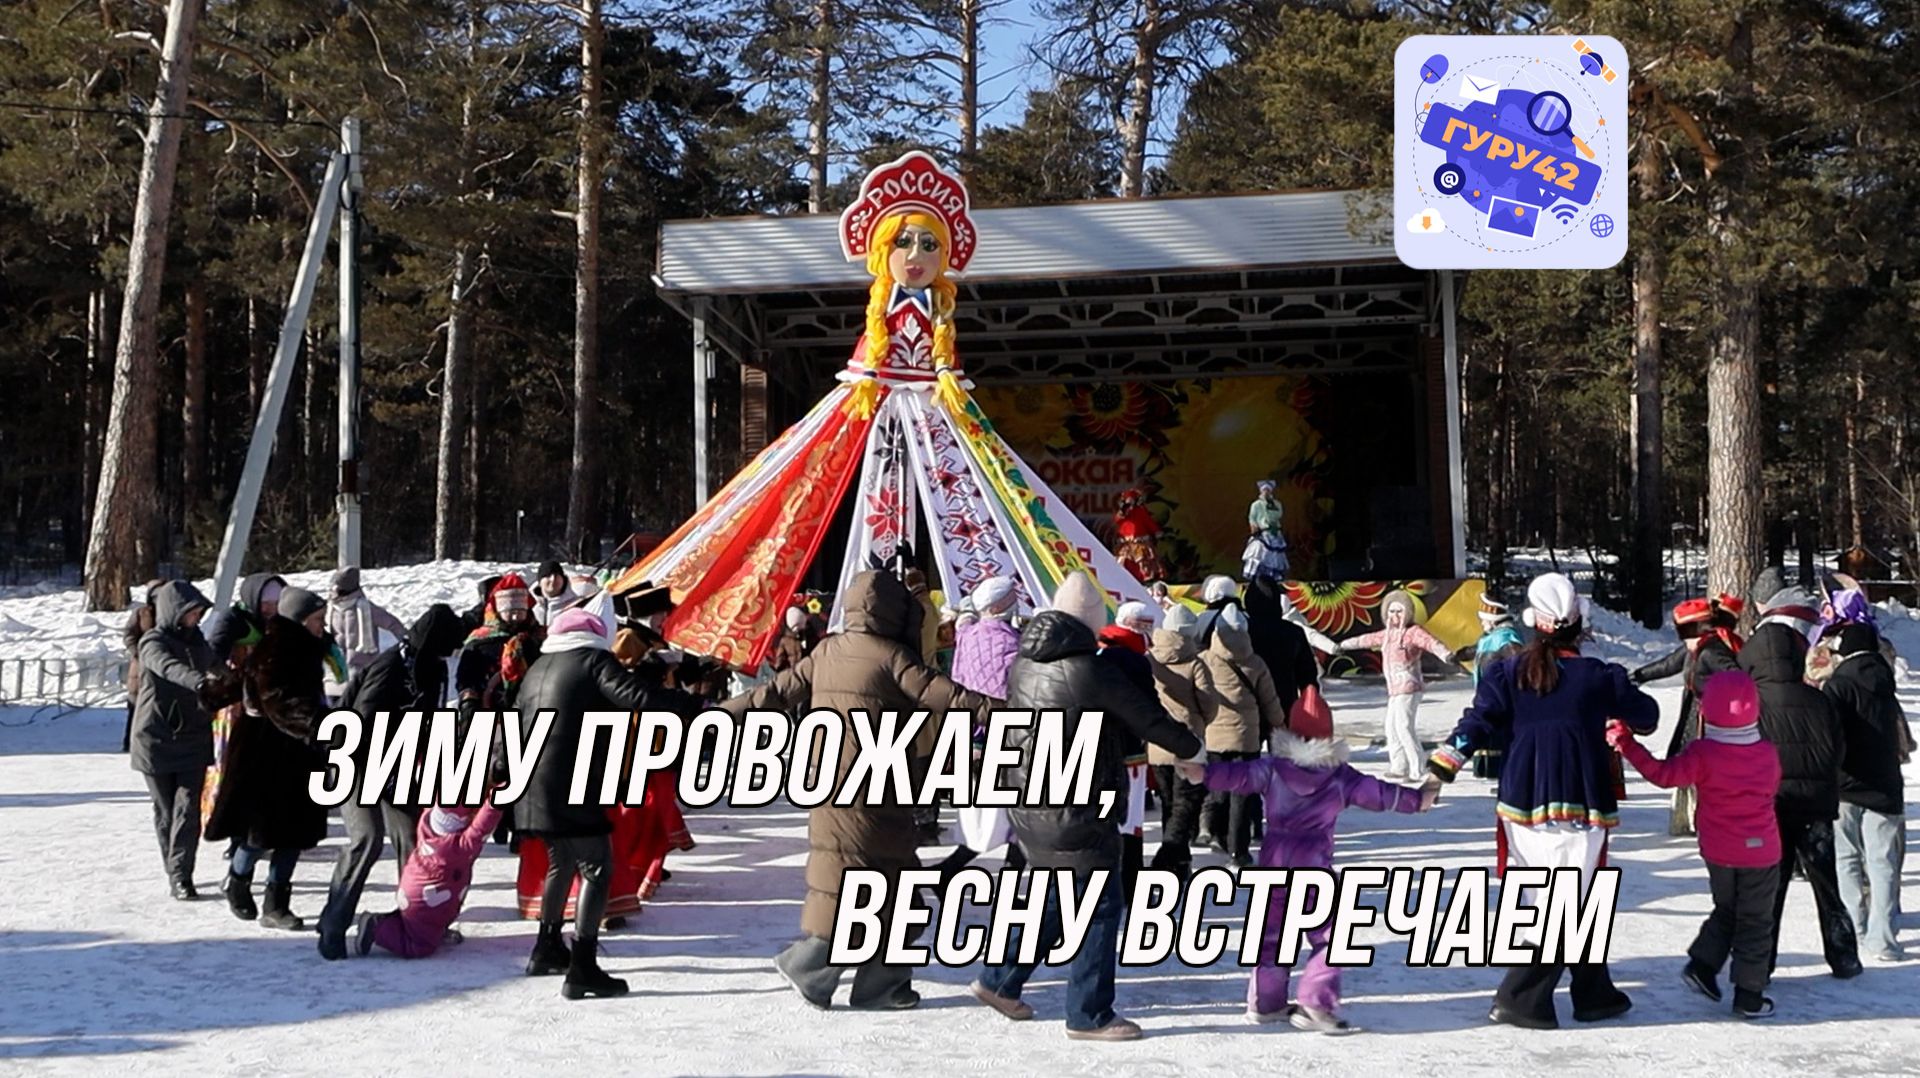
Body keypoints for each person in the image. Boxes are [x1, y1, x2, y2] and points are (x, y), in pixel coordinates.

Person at [722, 569, 991, 1011]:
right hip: (876, 787)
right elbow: (947, 696)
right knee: (876, 885)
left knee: (869, 880)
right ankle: (815, 965)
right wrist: (1010, 711)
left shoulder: (827, 650)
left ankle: (876, 982)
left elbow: (772, 693)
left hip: (834, 785)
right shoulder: (891, 657)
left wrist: (717, 715)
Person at [971, 571, 1204, 1041]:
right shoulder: (1091, 671)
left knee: (1057, 897)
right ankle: (1089, 1014)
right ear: (1090, 620)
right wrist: (1193, 750)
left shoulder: (1024, 662)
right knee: (1100, 904)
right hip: (1076, 806)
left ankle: (999, 980)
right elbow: (1148, 719)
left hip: (1032, 800)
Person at [1426, 572, 1658, 1029]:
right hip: (1580, 800)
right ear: (1580, 625)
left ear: (1533, 623)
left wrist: (1441, 768)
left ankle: (1594, 991)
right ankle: (1520, 997)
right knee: (1567, 897)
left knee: (1556, 892)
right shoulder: (1599, 676)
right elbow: (1647, 716)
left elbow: (1477, 722)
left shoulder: (1507, 673)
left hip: (1522, 801)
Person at [1182, 705, 1433, 1031]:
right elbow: (1379, 793)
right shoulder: (1340, 776)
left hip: (1274, 862)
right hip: (1313, 865)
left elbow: (1240, 775)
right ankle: (1315, 1001)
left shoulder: (1273, 768)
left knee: (1272, 933)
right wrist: (1418, 800)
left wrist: (1203, 773)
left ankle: (1266, 1003)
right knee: (1331, 935)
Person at [515, 606, 697, 1000]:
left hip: (532, 786)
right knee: (598, 868)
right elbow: (636, 697)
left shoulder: (538, 668)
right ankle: (583, 967)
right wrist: (685, 704)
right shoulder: (593, 660)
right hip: (571, 782)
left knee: (561, 863)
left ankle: (546, 948)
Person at [1608, 671, 1783, 1019]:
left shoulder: (1703, 753)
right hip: (1762, 850)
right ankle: (1748, 994)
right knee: (1755, 921)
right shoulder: (1767, 753)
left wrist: (1627, 743)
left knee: (1727, 909)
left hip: (1719, 849)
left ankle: (1703, 965)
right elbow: (1773, 789)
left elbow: (1663, 775)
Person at [317, 603, 470, 961]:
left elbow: (426, 721)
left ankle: (416, 921)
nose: (451, 654)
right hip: (355, 760)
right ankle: (333, 923)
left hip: (395, 762)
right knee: (367, 839)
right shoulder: (390, 667)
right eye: (448, 646)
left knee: (413, 839)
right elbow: (360, 726)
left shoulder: (431, 666)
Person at [1739, 586, 1862, 979]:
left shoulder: (1750, 702)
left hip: (1768, 806)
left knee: (1769, 888)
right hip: (1815, 805)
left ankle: (1760, 964)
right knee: (1827, 885)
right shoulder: (1819, 700)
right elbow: (1837, 750)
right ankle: (1844, 957)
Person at [204, 585, 333, 931]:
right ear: (300, 619)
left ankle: (276, 904)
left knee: (295, 835)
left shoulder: (304, 646)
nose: (322, 625)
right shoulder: (279, 647)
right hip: (267, 756)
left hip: (298, 754)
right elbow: (277, 700)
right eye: (317, 619)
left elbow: (242, 682)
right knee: (259, 833)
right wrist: (320, 725)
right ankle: (238, 878)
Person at [129, 581, 235, 900]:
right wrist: (200, 682)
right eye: (191, 612)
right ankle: (174, 869)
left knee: (188, 809)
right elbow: (167, 667)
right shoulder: (153, 642)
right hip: (156, 738)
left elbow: (217, 665)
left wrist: (237, 682)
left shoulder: (197, 640)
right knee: (166, 811)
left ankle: (181, 875)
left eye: (199, 612)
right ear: (174, 611)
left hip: (193, 735)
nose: (196, 618)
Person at [1823, 621, 1909, 962]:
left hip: (1846, 783)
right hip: (1885, 782)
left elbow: (1830, 734)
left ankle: (1854, 927)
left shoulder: (1838, 684)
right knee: (1882, 862)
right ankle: (1883, 938)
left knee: (1846, 858)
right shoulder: (1886, 682)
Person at [1630, 594, 1745, 835]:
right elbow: (1669, 664)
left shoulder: (1712, 651)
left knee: (1700, 766)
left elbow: (1737, 679)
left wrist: (1717, 697)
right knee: (1687, 763)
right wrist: (1639, 675)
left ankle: (1705, 819)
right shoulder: (1695, 648)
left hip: (1708, 719)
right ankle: (1688, 817)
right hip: (1692, 713)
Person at [1193, 578, 1288, 868]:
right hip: (1247, 738)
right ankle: (1239, 851)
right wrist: (1279, 723)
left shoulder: (1204, 659)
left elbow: (1196, 693)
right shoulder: (1255, 663)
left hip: (1214, 735)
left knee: (1218, 789)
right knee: (1242, 796)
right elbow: (1270, 701)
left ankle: (1218, 835)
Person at [352, 798, 504, 960]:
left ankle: (429, 930)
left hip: (425, 889)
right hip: (425, 895)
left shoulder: (430, 826)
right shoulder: (456, 847)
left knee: (427, 922)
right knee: (421, 946)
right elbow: (484, 823)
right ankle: (375, 927)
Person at [1337, 589, 1457, 781]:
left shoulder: (1413, 633)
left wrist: (1447, 655)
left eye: (1399, 611)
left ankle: (1418, 769)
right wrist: (1343, 645)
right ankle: (1399, 766)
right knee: (1391, 728)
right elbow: (1366, 639)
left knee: (1404, 727)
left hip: (1409, 687)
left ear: (1407, 612)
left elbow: (1431, 643)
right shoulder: (1387, 635)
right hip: (1394, 689)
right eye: (1391, 611)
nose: (1395, 615)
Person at [1146, 603, 1217, 880]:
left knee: (1169, 803)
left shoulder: (1150, 659)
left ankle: (1179, 861)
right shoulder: (1195, 662)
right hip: (1188, 742)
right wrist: (1199, 722)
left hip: (1157, 742)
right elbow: (1209, 702)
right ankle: (1170, 859)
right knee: (1185, 805)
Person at [325, 566, 407, 691]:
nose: (333, 594)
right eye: (332, 589)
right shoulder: (330, 609)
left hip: (363, 665)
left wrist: (406, 640)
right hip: (337, 666)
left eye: (337, 590)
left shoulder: (367, 609)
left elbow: (392, 624)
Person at [120, 580, 163, 753]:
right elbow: (129, 635)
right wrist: (139, 652)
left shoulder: (173, 614)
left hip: (162, 666)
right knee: (135, 706)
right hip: (141, 667)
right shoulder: (141, 613)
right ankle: (129, 742)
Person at [1111, 487, 1164, 584]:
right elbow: (1117, 520)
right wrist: (1123, 511)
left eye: (1132, 500)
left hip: (1140, 543)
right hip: (1126, 545)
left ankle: (1146, 581)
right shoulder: (1123, 513)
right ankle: (1124, 581)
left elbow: (1148, 522)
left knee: (1143, 563)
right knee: (1125, 562)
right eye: (1127, 500)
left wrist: (1156, 532)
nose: (1130, 502)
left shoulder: (1140, 511)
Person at [1243, 478, 1289, 585]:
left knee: (1275, 554)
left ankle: (1274, 576)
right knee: (1259, 553)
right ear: (1261, 491)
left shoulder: (1277, 504)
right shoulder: (1256, 504)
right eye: (1264, 490)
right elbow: (1252, 517)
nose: (1266, 492)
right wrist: (1254, 527)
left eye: (1268, 490)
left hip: (1275, 532)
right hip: (1262, 533)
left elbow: (1279, 515)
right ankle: (1257, 575)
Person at [532, 560, 580, 627]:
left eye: (557, 575)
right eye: (548, 576)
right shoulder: (531, 606)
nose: (553, 579)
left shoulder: (576, 605)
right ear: (540, 582)